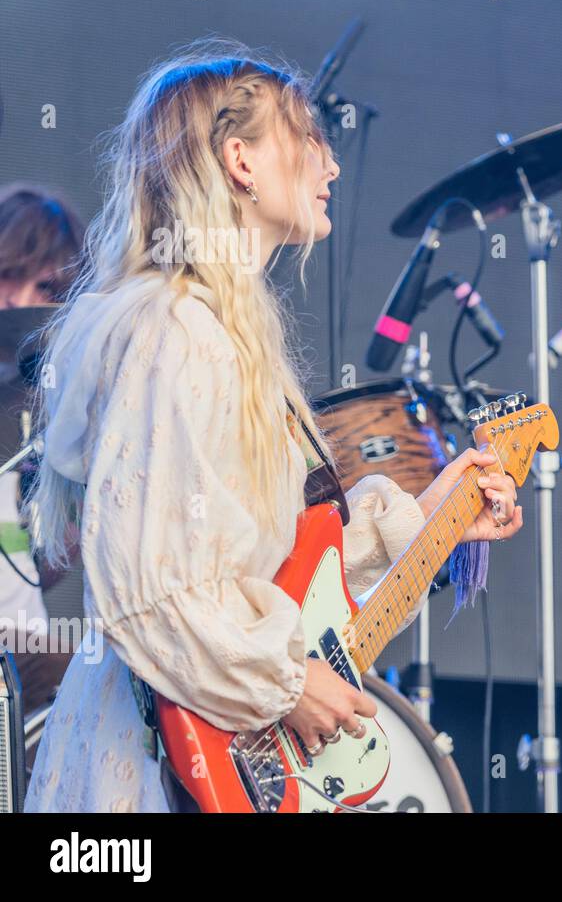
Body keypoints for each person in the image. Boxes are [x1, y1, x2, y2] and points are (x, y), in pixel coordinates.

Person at [22, 42, 524, 812]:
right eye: (309, 139)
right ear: (240, 162)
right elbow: (151, 589)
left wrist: (436, 520)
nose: (332, 165)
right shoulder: (176, 328)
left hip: (190, 744)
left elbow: (280, 573)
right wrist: (283, 685)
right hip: (154, 759)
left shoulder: (220, 336)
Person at [0, 183, 85, 707]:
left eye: (47, 289)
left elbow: (49, 554)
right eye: (9, 274)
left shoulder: (38, 408)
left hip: (24, 643)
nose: (18, 300)